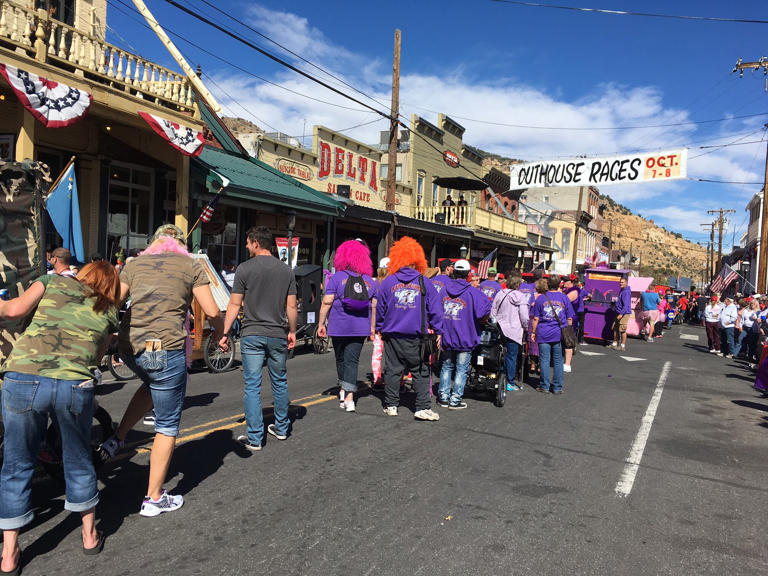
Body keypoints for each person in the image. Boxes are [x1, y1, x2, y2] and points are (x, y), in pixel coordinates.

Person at [0, 261, 121, 569]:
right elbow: (95, 358)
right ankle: (89, 535)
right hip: (73, 384)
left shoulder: (51, 281)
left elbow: (13, 311)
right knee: (78, 459)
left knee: (16, 464)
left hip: (24, 376)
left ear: (84, 273)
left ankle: (9, 553)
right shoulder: (109, 310)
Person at [99, 224, 224, 517]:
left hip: (130, 348)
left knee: (150, 386)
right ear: (181, 245)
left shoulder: (134, 264)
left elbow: (113, 304)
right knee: (166, 425)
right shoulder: (191, 266)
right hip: (163, 348)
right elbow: (211, 310)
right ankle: (154, 498)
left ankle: (117, 438)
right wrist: (221, 334)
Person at [220, 226, 297, 450]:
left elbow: (235, 304)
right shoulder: (286, 271)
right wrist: (292, 331)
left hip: (252, 333)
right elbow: (291, 306)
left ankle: (255, 438)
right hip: (277, 333)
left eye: (247, 242)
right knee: (279, 381)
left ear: (256, 243)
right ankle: (281, 429)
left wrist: (224, 333)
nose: (246, 246)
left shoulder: (245, 269)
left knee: (252, 386)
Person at [376, 236, 443, 420]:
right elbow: (435, 310)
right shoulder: (424, 282)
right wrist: (438, 330)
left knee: (392, 370)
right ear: (416, 260)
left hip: (392, 335)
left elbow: (381, 309)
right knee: (420, 371)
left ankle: (391, 405)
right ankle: (422, 407)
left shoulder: (388, 282)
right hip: (416, 336)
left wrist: (379, 328)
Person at [317, 240, 376, 412]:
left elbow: (327, 302)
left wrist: (321, 324)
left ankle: (347, 394)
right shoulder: (370, 281)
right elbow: (374, 307)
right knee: (352, 360)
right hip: (360, 327)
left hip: (338, 326)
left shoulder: (336, 278)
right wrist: (372, 328)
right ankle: (347, 393)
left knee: (341, 358)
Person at [437, 259, 491, 409]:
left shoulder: (444, 290)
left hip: (447, 335)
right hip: (465, 336)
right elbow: (484, 311)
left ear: (454, 272)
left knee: (447, 366)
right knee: (461, 369)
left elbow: (436, 311)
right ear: (468, 274)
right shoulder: (474, 292)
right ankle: (455, 400)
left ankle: (443, 397)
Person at [531, 275, 574, 394]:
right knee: (558, 360)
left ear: (548, 284)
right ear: (559, 285)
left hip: (543, 332)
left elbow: (535, 318)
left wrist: (533, 332)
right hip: (559, 333)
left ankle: (544, 386)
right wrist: (568, 330)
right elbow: (570, 318)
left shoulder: (541, 298)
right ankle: (557, 387)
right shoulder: (564, 298)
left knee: (544, 359)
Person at [491, 271, 529, 392]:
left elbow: (493, 311)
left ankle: (498, 376)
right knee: (512, 356)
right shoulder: (521, 296)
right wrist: (526, 327)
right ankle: (509, 381)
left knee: (498, 353)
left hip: (500, 327)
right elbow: (524, 316)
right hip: (514, 329)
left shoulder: (500, 293)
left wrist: (494, 322)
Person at [370, 257, 389, 389]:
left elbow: (373, 306)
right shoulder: (393, 283)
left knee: (377, 353)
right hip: (392, 325)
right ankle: (398, 383)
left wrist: (372, 327)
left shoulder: (375, 284)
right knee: (395, 355)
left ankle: (377, 379)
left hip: (378, 325)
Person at [562, 274, 582, 372]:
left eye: (566, 281)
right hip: (565, 317)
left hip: (570, 318)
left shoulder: (574, 291)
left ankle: (567, 364)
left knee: (568, 341)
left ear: (572, 282)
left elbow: (563, 302)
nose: (564, 282)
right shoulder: (567, 290)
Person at [611, 276, 632, 351]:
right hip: (618, 312)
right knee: (615, 328)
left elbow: (626, 305)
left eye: (622, 282)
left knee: (622, 330)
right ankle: (615, 344)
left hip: (624, 313)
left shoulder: (626, 292)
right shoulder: (622, 290)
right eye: (620, 282)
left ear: (626, 283)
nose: (621, 283)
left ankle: (622, 346)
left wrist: (621, 314)